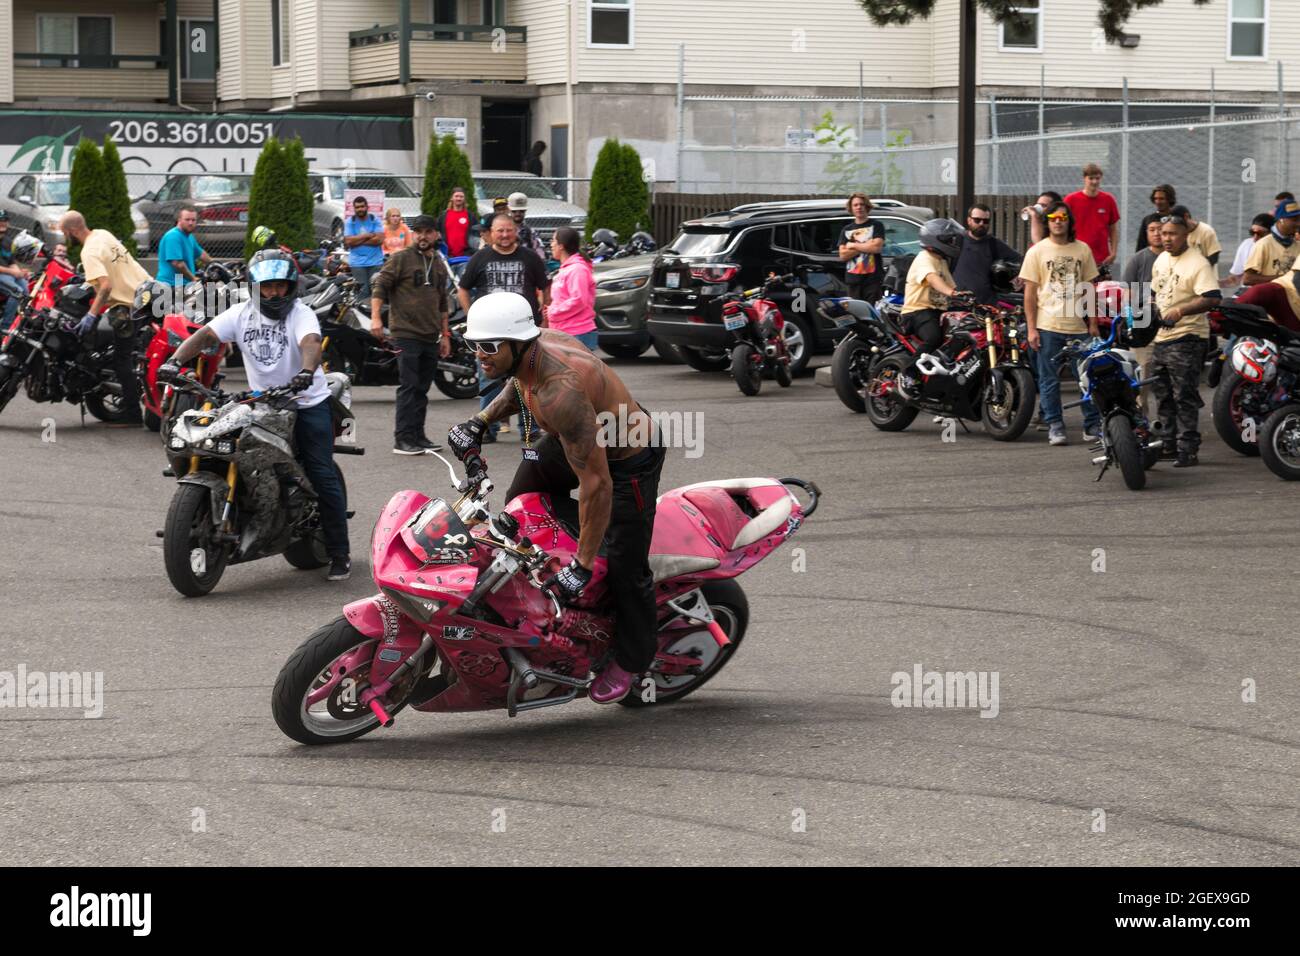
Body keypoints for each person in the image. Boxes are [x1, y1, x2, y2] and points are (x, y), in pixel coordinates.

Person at [446, 293, 666, 704]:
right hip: (576, 435)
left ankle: (634, 660)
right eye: (473, 343)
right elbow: (518, 385)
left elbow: (597, 484)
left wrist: (582, 565)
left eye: (488, 346)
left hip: (627, 459)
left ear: (516, 344)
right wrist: (480, 421)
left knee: (624, 565)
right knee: (521, 501)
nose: (478, 354)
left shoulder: (561, 391)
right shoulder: (527, 351)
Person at [159, 249, 352, 580]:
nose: (274, 293)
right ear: (255, 287)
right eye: (267, 286)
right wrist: (174, 361)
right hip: (261, 401)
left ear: (291, 287)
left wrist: (307, 371)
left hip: (305, 400)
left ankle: (339, 552)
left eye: (280, 286)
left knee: (321, 473)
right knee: (228, 444)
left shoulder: (301, 314)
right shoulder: (241, 313)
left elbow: (310, 342)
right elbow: (205, 335)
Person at [457, 213, 550, 442]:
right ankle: (487, 429)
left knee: (528, 380)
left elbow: (545, 286)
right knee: (489, 381)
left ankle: (530, 429)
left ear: (516, 231)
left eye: (509, 230)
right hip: (489, 336)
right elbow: (463, 289)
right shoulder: (480, 258)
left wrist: (544, 314)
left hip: (523, 334)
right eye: (500, 230)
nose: (505, 235)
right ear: (491, 233)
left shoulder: (530, 257)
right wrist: (472, 317)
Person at [1018, 201, 1101, 446]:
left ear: (1069, 221)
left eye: (1062, 217)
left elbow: (1089, 289)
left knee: (1087, 378)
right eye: (1053, 217)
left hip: (1078, 327)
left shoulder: (1083, 250)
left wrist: (1093, 323)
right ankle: (1055, 425)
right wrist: (1031, 328)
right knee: (1049, 380)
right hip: (1047, 326)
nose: (1057, 221)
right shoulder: (1036, 251)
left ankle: (1092, 425)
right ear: (1047, 221)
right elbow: (1029, 294)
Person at [58, 211, 150, 427]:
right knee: (129, 351)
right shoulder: (102, 234)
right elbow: (112, 267)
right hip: (148, 293)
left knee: (121, 360)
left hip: (128, 306)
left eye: (65, 233)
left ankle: (133, 414)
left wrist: (91, 314)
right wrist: (87, 283)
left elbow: (106, 286)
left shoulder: (88, 251)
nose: (65, 237)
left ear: (72, 230)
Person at [370, 215, 451, 456]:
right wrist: (375, 318)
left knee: (422, 388)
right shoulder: (401, 258)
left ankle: (418, 436)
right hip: (405, 333)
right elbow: (380, 286)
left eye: (428, 231)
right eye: (418, 232)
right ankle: (403, 439)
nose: (423, 236)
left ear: (436, 234)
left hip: (431, 335)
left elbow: (443, 302)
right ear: (413, 234)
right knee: (409, 386)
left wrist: (445, 334)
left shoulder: (439, 263)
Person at [1148, 216, 1223, 468]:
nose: (1166, 238)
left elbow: (1212, 297)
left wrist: (1181, 311)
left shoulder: (1198, 263)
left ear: (1185, 236)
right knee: (1162, 395)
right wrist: (1150, 309)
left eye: (1172, 234)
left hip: (1188, 337)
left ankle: (1188, 449)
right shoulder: (1161, 259)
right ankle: (1167, 444)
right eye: (1163, 233)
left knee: (1184, 395)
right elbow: (1155, 292)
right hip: (1161, 337)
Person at [897, 218, 965, 397]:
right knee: (934, 337)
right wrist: (951, 293)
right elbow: (934, 280)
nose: (953, 243)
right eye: (949, 240)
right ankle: (909, 373)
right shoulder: (924, 258)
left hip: (937, 312)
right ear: (936, 239)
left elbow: (951, 286)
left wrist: (965, 297)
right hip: (917, 311)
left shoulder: (941, 261)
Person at [1121, 219, 1166, 419]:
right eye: (1152, 229)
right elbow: (1127, 294)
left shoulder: (1176, 259)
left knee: (1166, 378)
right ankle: (1142, 420)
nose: (1157, 233)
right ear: (1145, 233)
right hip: (1144, 325)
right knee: (1142, 377)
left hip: (1170, 325)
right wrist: (1133, 321)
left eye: (1161, 230)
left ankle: (1166, 421)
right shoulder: (1138, 259)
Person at [952, 203, 1022, 304]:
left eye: (986, 221)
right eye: (977, 220)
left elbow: (1023, 260)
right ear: (969, 220)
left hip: (986, 305)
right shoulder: (956, 241)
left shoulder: (994, 244)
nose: (981, 224)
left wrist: (1020, 276)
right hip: (957, 303)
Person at [546, 227, 598, 351]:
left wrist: (553, 312)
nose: (551, 244)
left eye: (553, 240)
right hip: (565, 332)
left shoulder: (577, 270)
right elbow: (564, 298)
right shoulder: (567, 268)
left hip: (577, 333)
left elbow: (579, 300)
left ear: (561, 246)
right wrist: (551, 309)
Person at [1064, 163, 1121, 272]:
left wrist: (1113, 253)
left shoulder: (1108, 200)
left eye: (1097, 178)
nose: (1094, 181)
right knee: (1072, 283)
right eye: (1091, 178)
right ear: (1084, 179)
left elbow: (1113, 229)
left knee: (1101, 283)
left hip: (1101, 259)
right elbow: (1062, 227)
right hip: (1075, 257)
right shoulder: (1071, 200)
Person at [836, 192, 885, 303]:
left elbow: (876, 248)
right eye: (855, 205)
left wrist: (853, 245)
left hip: (872, 281)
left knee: (872, 311)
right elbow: (843, 255)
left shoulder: (876, 225)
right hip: (853, 281)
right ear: (851, 208)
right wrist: (867, 244)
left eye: (862, 204)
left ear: (867, 206)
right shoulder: (846, 229)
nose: (859, 207)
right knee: (856, 312)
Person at [1242, 199, 1299, 286]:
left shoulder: (1297, 245)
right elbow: (1248, 279)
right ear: (1281, 219)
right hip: (1269, 294)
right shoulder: (1264, 244)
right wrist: (1284, 279)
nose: (1298, 223)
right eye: (1294, 220)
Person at [156, 204, 210, 288]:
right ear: (179, 220)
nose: (190, 223)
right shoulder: (173, 236)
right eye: (187, 220)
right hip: (170, 285)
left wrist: (216, 265)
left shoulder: (189, 236)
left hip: (182, 282)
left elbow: (201, 254)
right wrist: (193, 279)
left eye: (193, 220)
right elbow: (177, 264)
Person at [343, 196, 384, 299]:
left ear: (367, 207)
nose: (360, 209)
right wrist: (368, 235)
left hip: (375, 262)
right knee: (362, 293)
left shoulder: (374, 220)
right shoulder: (350, 222)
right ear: (354, 208)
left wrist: (356, 240)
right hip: (357, 263)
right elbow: (348, 241)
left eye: (362, 206)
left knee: (376, 293)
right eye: (357, 207)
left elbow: (379, 240)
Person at [1224, 213, 1274, 289]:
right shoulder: (1247, 244)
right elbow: (1235, 279)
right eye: (1252, 233)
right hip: (1247, 290)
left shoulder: (1278, 248)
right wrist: (1211, 284)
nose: (1255, 237)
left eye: (1260, 233)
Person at [0, 211, 31, 329]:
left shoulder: (8, 241)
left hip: (6, 273)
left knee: (26, 292)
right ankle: (5, 329)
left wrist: (19, 272)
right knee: (17, 292)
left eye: (5, 220)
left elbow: (11, 262)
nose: (2, 223)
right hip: (2, 274)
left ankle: (18, 323)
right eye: (0, 220)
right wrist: (13, 272)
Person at [1134, 184, 1177, 252]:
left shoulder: (1177, 219)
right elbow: (1141, 245)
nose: (1158, 202)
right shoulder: (1148, 220)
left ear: (1170, 199)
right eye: (1156, 199)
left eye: (1161, 199)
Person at [437, 187, 474, 258]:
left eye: (461, 196)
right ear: (451, 198)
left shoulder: (470, 216)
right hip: (447, 255)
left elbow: (476, 234)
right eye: (456, 196)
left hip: (466, 256)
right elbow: (436, 231)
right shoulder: (443, 215)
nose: (459, 199)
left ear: (464, 199)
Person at [508, 192, 546, 259]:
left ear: (525, 211)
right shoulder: (504, 231)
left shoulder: (530, 232)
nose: (518, 214)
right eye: (514, 211)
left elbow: (540, 251)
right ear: (509, 211)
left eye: (521, 211)